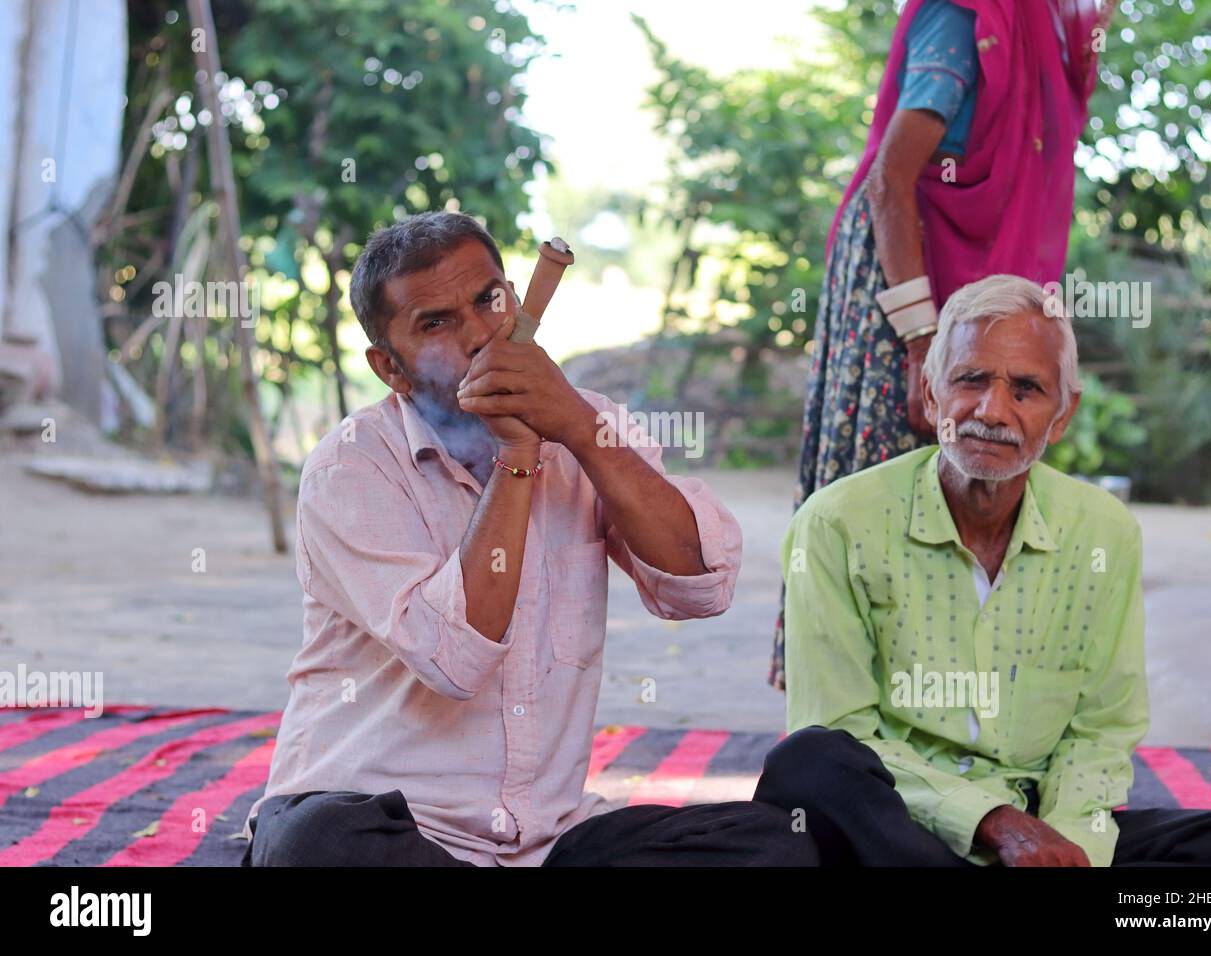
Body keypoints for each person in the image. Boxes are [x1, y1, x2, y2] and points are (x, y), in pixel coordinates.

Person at [238, 211, 821, 867]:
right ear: (390, 368)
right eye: (437, 323)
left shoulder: (583, 422)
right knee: (314, 851)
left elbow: (699, 587)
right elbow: (457, 659)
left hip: (544, 843)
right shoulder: (350, 469)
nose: (483, 334)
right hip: (382, 824)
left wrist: (573, 423)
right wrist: (518, 454)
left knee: (778, 848)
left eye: (489, 300)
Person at [762, 274, 1211, 866]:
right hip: (899, 829)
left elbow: (1101, 730)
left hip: (1043, 825)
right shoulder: (837, 523)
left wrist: (1069, 850)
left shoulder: (1102, 531)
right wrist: (994, 824)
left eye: (1026, 388)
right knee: (808, 762)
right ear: (933, 394)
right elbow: (839, 733)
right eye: (971, 380)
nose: (993, 411)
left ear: (1061, 415)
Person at [770, 0, 1118, 689]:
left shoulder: (1054, 29)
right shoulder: (969, 15)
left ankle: (957, 712)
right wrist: (923, 349)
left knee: (976, 498)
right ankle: (847, 718)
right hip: (907, 291)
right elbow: (889, 181)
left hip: (979, 307)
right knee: (887, 501)